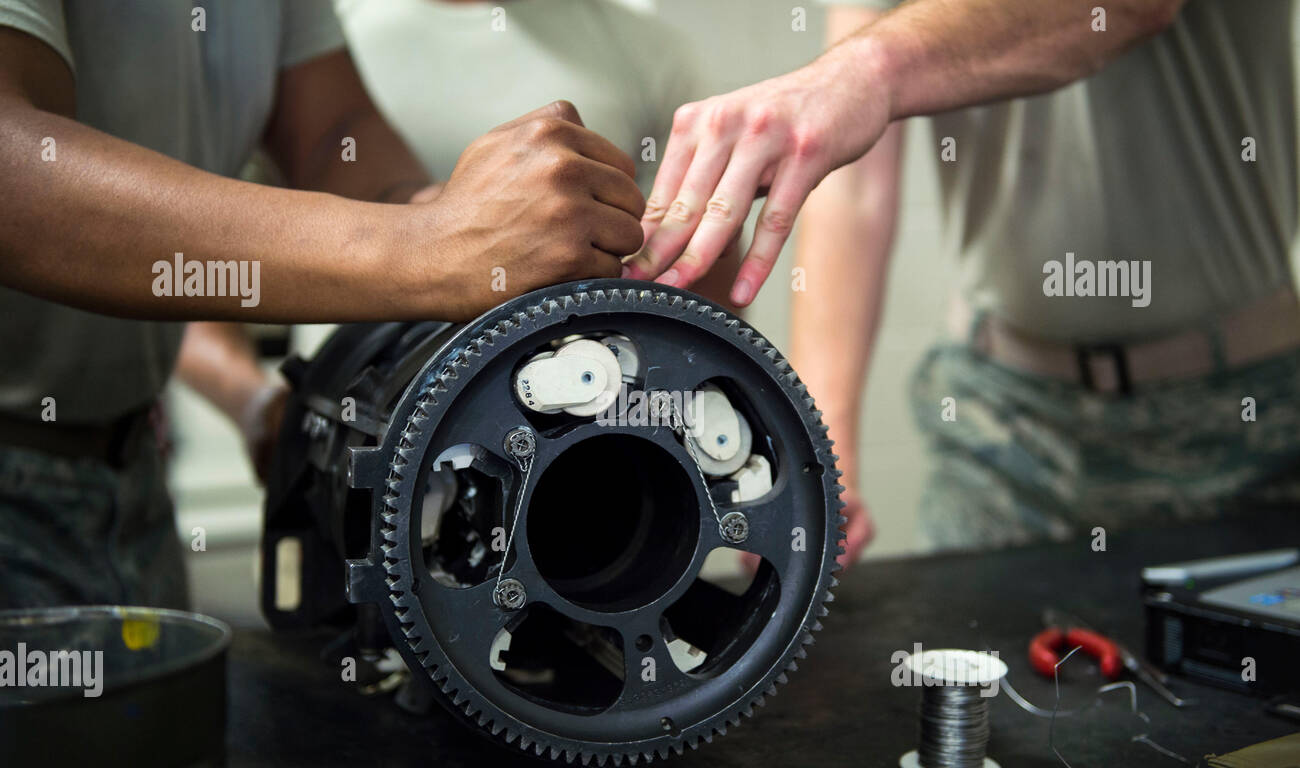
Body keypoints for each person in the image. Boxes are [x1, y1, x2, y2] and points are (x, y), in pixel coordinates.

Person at [0, 0, 644, 609]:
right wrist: (431, 245)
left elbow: (333, 136)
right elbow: (15, 176)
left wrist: (463, 225)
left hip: (128, 458)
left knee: (149, 723)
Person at [626, 0, 1300, 559]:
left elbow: (1128, 8)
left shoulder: (878, 64)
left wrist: (872, 67)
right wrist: (819, 460)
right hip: (999, 424)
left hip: (1240, 419)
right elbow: (852, 180)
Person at [334, 0, 741, 304]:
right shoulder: (331, 36)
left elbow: (702, 274)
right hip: (351, 388)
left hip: (576, 397)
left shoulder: (650, 50)